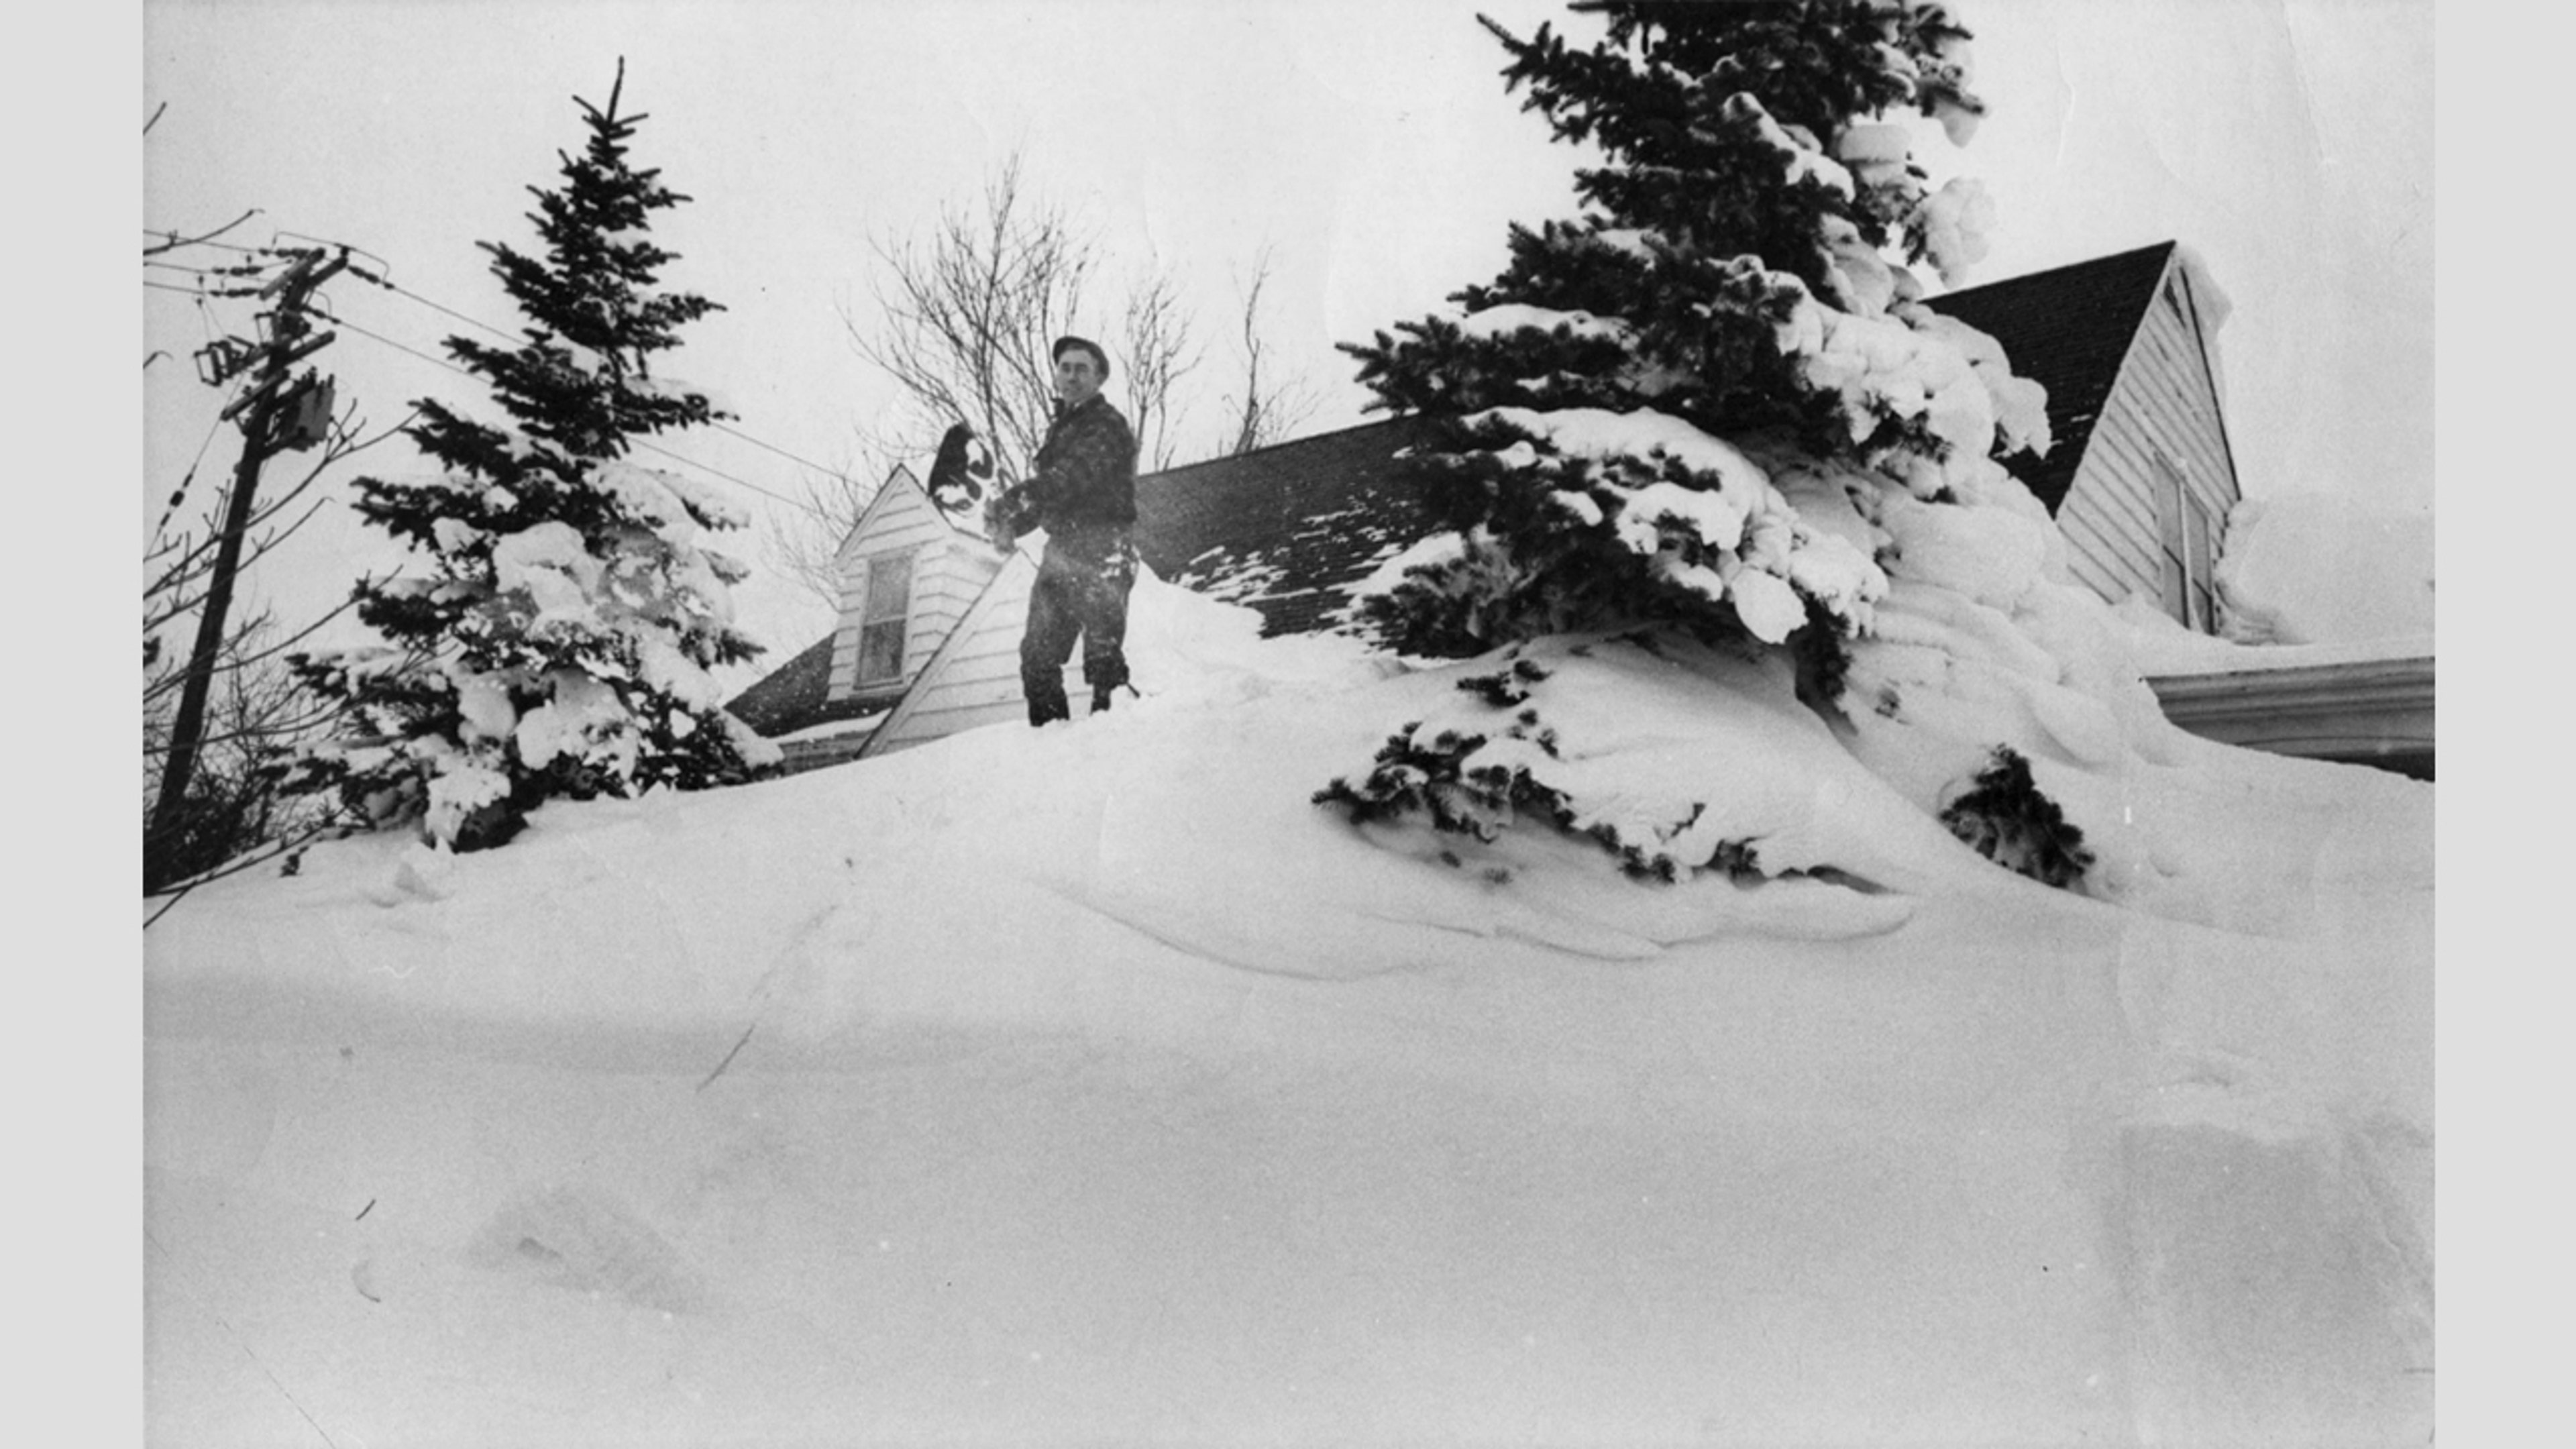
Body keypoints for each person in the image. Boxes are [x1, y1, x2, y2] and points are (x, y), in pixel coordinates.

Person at [1000, 335, 1140, 725]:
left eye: (1082, 369)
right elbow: (1051, 497)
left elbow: (1073, 476)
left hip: (1103, 544)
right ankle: (1051, 747)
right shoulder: (1059, 430)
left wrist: (1017, 498)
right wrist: (1009, 524)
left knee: (1102, 655)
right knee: (1037, 658)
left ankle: (1116, 743)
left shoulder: (1107, 425)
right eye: (1065, 368)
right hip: (1061, 549)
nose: (1072, 376)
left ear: (1099, 378)